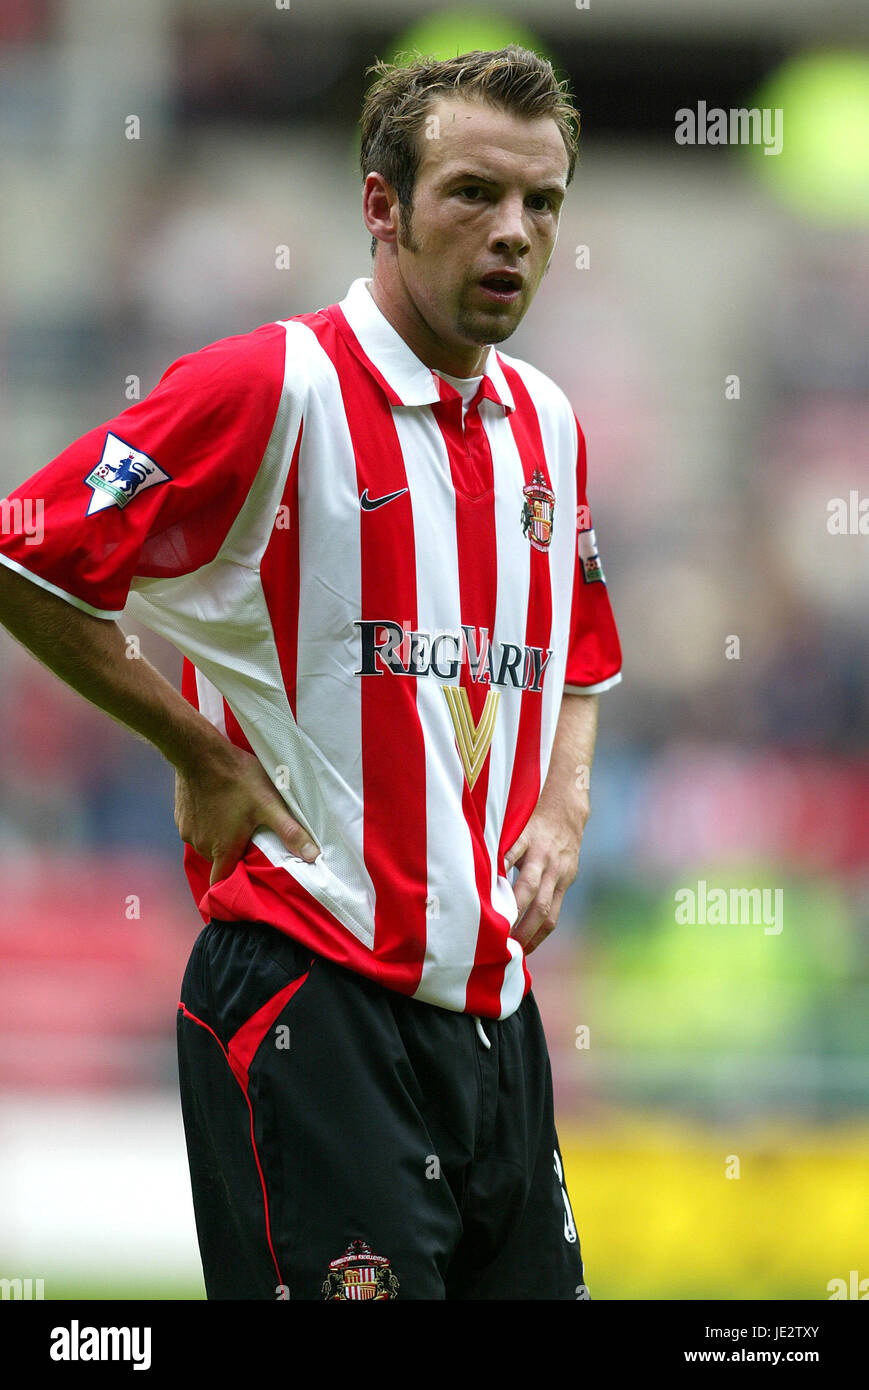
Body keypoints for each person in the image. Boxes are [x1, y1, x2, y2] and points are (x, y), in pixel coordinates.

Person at [0, 45, 622, 1300]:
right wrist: (199, 748)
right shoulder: (269, 388)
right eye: (471, 195)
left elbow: (579, 654)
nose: (512, 233)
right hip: (311, 996)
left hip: (492, 1021)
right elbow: (27, 550)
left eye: (539, 204)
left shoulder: (548, 427)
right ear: (381, 206)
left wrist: (562, 803)